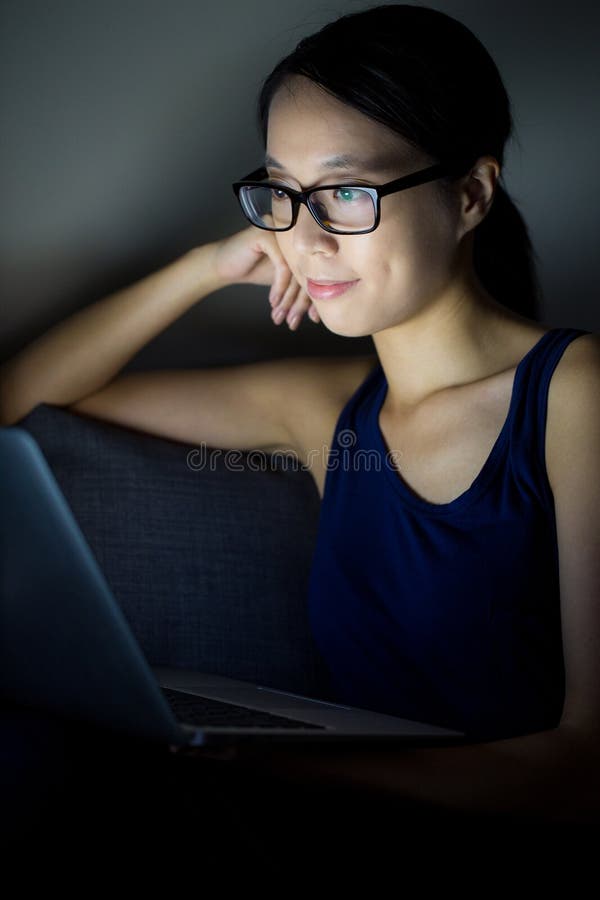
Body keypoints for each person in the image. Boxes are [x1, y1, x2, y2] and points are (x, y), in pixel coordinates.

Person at [1, 1, 598, 869]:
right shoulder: (328, 416)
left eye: (348, 192)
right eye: (283, 193)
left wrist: (289, 774)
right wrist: (206, 268)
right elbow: (21, 399)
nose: (305, 238)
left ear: (470, 195)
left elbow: (587, 765)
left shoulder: (574, 393)